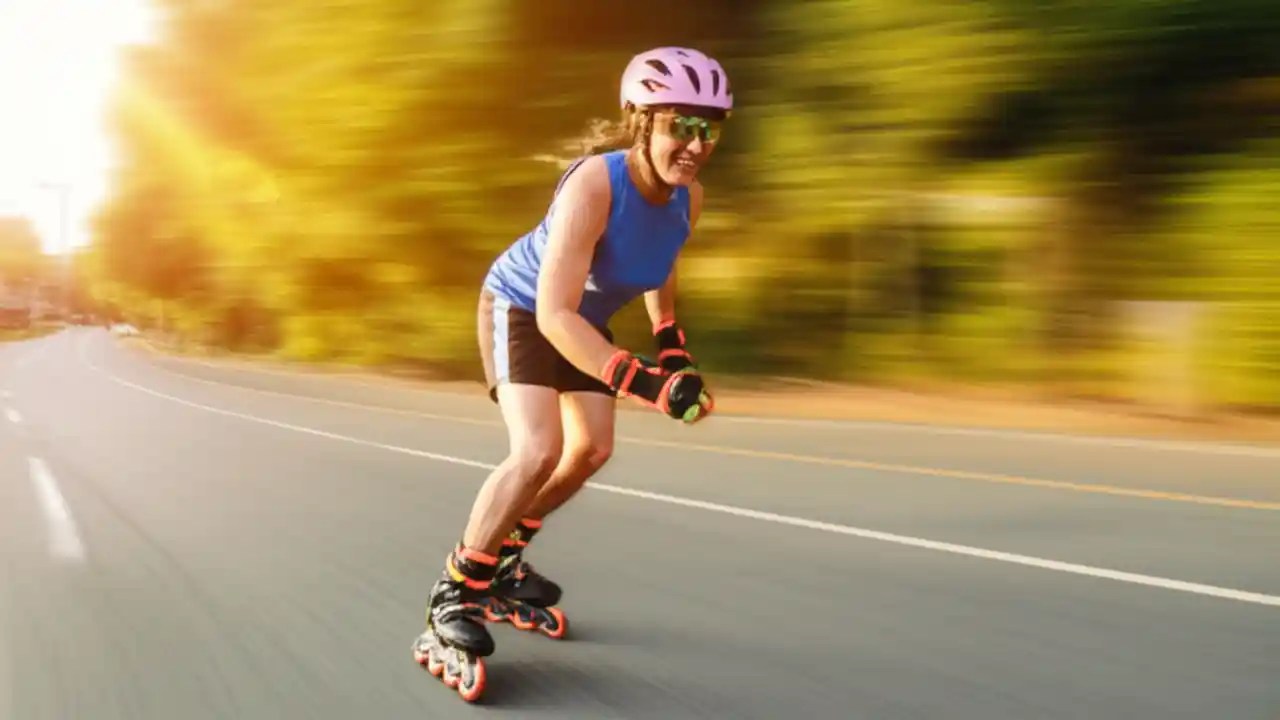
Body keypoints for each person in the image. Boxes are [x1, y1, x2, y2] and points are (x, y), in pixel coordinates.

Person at [413, 45, 732, 702]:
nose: (696, 145)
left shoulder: (686, 198)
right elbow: (556, 315)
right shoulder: (594, 182)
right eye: (681, 125)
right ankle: (455, 590)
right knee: (538, 449)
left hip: (578, 318)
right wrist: (643, 382)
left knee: (591, 449)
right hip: (526, 307)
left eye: (710, 128)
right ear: (642, 122)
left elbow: (663, 264)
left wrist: (669, 343)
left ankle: (501, 562)